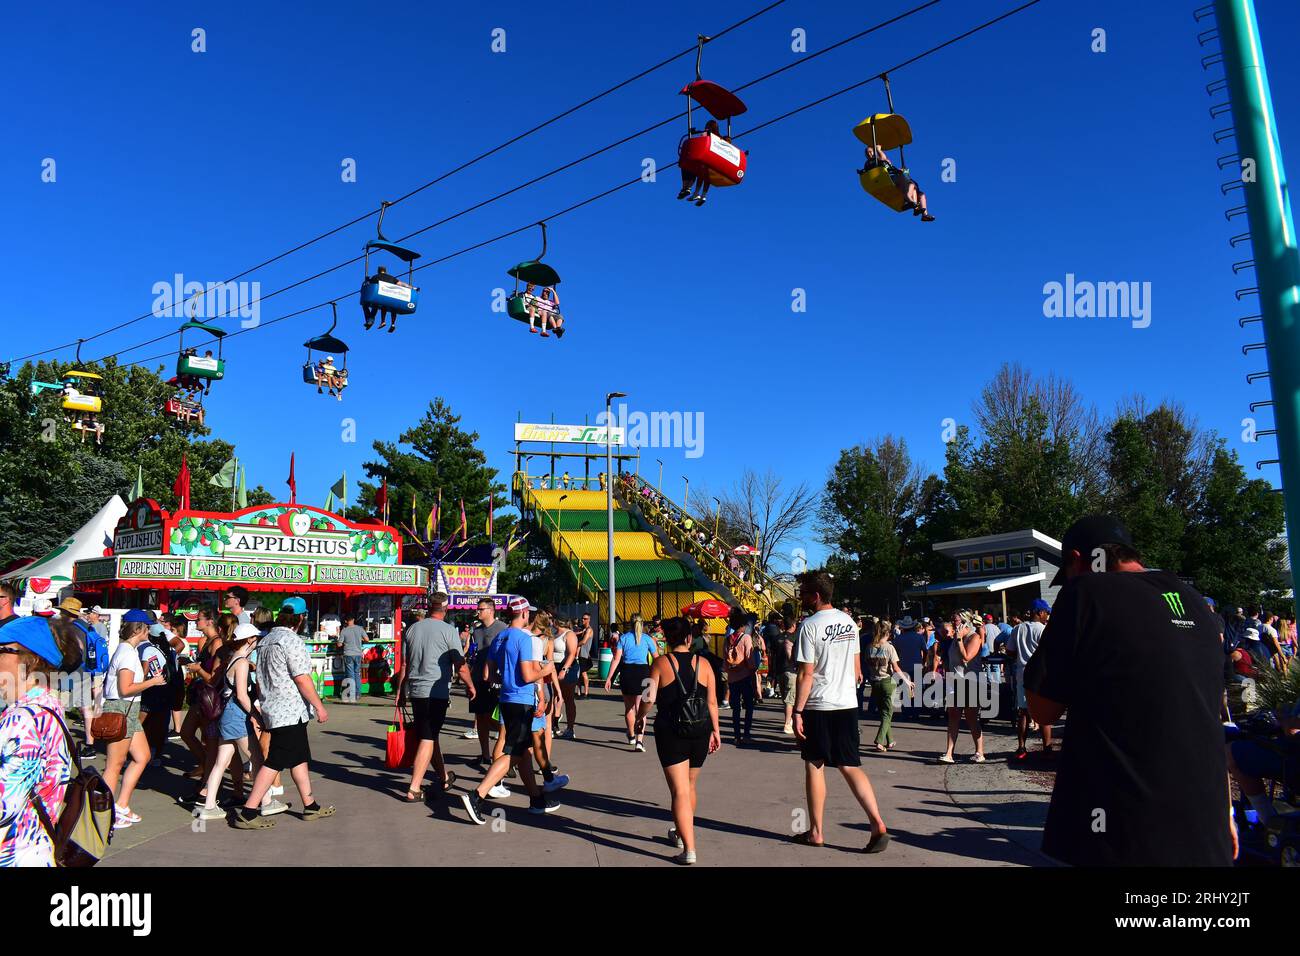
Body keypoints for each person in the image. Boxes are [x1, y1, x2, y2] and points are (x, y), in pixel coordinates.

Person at [1025, 515, 1234, 865]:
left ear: (1079, 559)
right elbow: (1209, 712)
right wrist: (1225, 809)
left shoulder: (1085, 593)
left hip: (1123, 824)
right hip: (1206, 818)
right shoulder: (1192, 598)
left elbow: (1042, 711)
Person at [791, 572, 890, 853]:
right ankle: (877, 823)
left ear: (816, 596)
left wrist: (797, 711)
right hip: (846, 703)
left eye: (804, 593)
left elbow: (806, 674)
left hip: (818, 704)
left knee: (814, 762)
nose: (801, 597)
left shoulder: (809, 626)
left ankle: (816, 832)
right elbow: (858, 670)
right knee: (850, 764)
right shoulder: (848, 622)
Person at [232, 598, 334, 829]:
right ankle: (249, 811)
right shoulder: (292, 640)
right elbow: (301, 677)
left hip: (273, 707)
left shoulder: (266, 640)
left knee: (298, 757)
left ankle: (310, 805)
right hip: (290, 710)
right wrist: (319, 705)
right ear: (300, 618)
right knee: (275, 761)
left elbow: (259, 678)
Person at [460, 596, 559, 823]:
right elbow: (528, 675)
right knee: (514, 752)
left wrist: (504, 680)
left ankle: (536, 799)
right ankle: (477, 795)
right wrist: (546, 670)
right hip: (521, 700)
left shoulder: (500, 636)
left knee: (522, 751)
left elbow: (487, 673)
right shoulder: (524, 639)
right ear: (524, 614)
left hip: (505, 698)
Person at [0, 615, 85, 866]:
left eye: (2, 649)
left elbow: (4, 806)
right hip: (36, 849)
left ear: (31, 660)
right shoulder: (48, 705)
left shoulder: (22, 721)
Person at [637, 617, 721, 864]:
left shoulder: (660, 663)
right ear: (688, 638)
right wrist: (716, 731)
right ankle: (681, 833)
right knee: (690, 786)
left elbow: (648, 697)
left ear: (668, 639)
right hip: (700, 730)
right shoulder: (704, 663)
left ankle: (689, 848)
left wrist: (640, 718)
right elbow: (713, 702)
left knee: (679, 790)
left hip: (671, 731)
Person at [196, 623, 286, 820]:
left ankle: (209, 805)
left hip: (226, 715)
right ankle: (266, 801)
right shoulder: (243, 663)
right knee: (257, 759)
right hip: (237, 715)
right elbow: (243, 696)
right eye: (255, 639)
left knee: (221, 762)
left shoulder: (232, 659)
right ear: (249, 640)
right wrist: (256, 715)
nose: (256, 642)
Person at [399, 593, 472, 802]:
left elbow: (405, 663)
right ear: (446, 609)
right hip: (436, 691)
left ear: (429, 607)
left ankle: (443, 777)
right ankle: (414, 788)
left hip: (416, 690)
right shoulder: (449, 631)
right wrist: (471, 686)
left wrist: (400, 691)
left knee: (430, 735)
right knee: (428, 737)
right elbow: (460, 664)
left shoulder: (412, 629)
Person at [101, 615, 167, 830]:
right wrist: (152, 682)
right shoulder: (128, 654)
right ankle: (106, 812)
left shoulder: (127, 651)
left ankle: (121, 805)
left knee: (142, 756)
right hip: (121, 708)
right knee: (115, 765)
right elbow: (125, 688)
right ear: (139, 629)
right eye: (147, 628)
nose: (148, 632)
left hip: (128, 710)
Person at [604, 613, 657, 751]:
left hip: (627, 673)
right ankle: (640, 741)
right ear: (642, 623)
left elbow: (616, 659)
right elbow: (657, 658)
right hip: (644, 673)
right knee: (641, 710)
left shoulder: (624, 638)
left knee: (629, 708)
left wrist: (609, 678)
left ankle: (632, 736)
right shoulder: (647, 639)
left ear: (630, 623)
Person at [938, 611, 986, 764]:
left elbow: (967, 657)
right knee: (953, 716)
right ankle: (949, 753)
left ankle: (979, 752)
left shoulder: (974, 637)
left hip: (970, 680)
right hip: (954, 680)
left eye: (956, 620)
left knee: (971, 717)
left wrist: (959, 639)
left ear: (965, 622)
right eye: (952, 620)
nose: (953, 623)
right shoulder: (953, 638)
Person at [1010, 599, 1052, 760]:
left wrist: (1021, 655)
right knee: (1044, 712)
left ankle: (1021, 748)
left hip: (1022, 672)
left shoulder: (1018, 629)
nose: (1047, 616)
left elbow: (1009, 651)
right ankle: (1047, 748)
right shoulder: (1044, 630)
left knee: (1023, 712)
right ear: (1039, 612)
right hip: (1040, 674)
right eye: (1046, 612)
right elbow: (1050, 653)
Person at [467, 598, 506, 765]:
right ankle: (485, 754)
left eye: (481, 609)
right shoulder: (476, 631)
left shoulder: (503, 629)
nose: (478, 612)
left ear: (491, 610)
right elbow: (473, 654)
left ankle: (505, 754)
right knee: (480, 716)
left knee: (495, 717)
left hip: (494, 679)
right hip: (477, 678)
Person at [858, 143, 935, 221]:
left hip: (895, 178)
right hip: (887, 179)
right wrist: (878, 150)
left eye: (870, 152)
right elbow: (883, 159)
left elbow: (886, 161)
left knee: (918, 191)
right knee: (910, 183)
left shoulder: (884, 161)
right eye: (867, 153)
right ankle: (909, 200)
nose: (869, 154)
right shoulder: (870, 162)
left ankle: (920, 212)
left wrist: (900, 170)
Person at [867, 621, 912, 752]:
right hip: (887, 681)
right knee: (888, 714)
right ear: (887, 633)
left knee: (883, 713)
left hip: (874, 682)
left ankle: (890, 740)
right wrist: (907, 681)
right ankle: (879, 742)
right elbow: (896, 667)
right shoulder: (888, 647)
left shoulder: (869, 647)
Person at [723, 607, 758, 745]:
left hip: (732, 677)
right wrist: (753, 669)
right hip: (745, 676)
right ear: (743, 625)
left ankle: (736, 735)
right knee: (749, 706)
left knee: (736, 708)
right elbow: (750, 659)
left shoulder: (727, 640)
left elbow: (725, 662)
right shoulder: (746, 638)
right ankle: (746, 734)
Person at [554, 617, 580, 739]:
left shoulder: (569, 634)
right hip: (553, 667)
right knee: (554, 696)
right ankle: (553, 725)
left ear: (557, 622)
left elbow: (572, 654)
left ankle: (570, 728)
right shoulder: (553, 633)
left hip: (567, 668)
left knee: (568, 698)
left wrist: (564, 669)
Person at [363, 265, 407, 333]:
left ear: (378, 271)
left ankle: (371, 321)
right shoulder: (392, 278)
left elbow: (369, 285)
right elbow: (401, 284)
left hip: (380, 298)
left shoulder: (375, 277)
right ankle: (392, 323)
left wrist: (367, 280)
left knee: (369, 305)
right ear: (385, 271)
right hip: (391, 298)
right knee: (391, 307)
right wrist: (411, 287)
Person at [336, 613, 367, 704]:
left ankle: (352, 694)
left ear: (346, 621)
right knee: (357, 673)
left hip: (348, 654)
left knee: (351, 675)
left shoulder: (344, 631)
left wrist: (339, 642)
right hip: (358, 654)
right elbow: (367, 639)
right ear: (353, 619)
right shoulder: (360, 628)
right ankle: (358, 694)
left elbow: (339, 644)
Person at [575, 612, 595, 698]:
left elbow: (583, 641)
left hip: (584, 654)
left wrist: (574, 645)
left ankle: (586, 693)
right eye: (582, 618)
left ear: (589, 620)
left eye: (585, 619)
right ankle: (579, 692)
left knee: (583, 673)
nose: (583, 620)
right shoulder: (583, 629)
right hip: (580, 654)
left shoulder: (589, 630)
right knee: (579, 674)